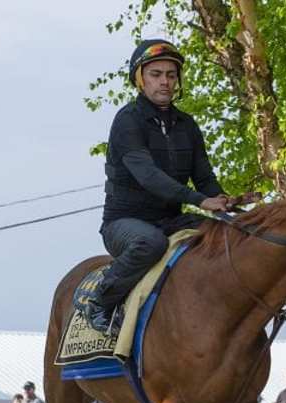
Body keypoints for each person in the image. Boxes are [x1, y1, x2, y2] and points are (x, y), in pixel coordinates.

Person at [83, 39, 230, 334]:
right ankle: (98, 303)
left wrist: (223, 199)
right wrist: (200, 201)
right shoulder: (127, 121)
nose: (165, 82)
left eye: (171, 75)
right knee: (151, 243)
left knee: (225, 234)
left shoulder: (187, 125)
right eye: (156, 74)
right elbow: (148, 176)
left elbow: (204, 177)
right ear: (140, 79)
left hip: (170, 220)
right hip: (124, 224)